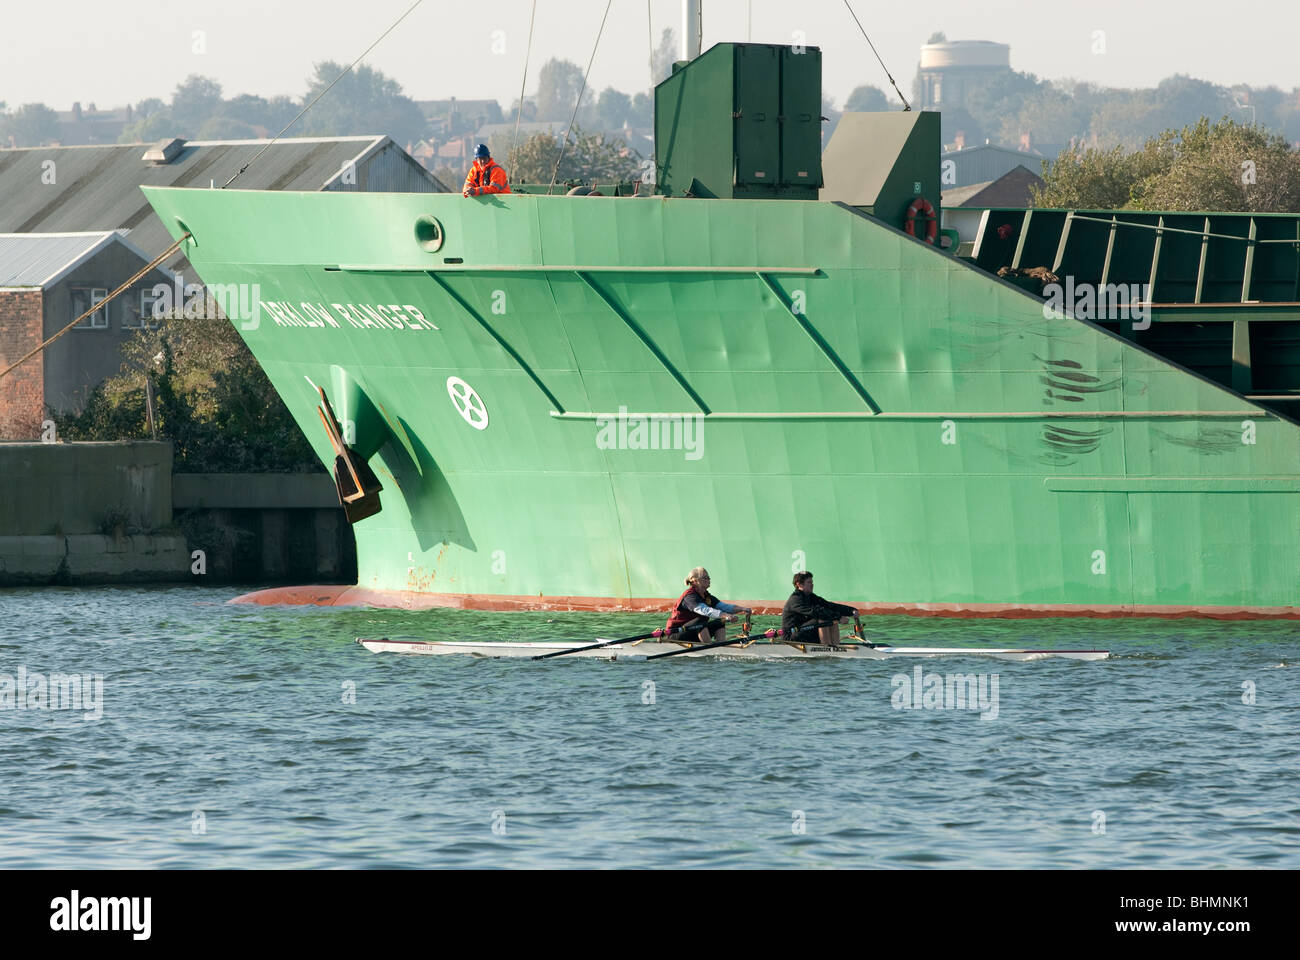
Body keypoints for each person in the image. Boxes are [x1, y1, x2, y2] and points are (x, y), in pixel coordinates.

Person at [665, 567, 752, 643]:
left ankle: (720, 647)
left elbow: (724, 607)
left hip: (693, 631)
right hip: (676, 634)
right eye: (705, 578)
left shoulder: (706, 596)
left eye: (709, 577)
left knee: (720, 622)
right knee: (700, 621)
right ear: (695, 581)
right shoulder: (689, 597)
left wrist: (743, 609)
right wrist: (726, 616)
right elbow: (705, 611)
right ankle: (709, 650)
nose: (709, 580)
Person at [782, 571, 858, 647]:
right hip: (791, 637)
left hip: (805, 632)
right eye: (809, 582)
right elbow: (815, 612)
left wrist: (851, 611)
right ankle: (827, 648)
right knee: (823, 619)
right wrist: (839, 617)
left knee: (832, 619)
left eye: (812, 582)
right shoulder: (795, 600)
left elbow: (829, 605)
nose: (812, 585)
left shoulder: (811, 597)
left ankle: (835, 646)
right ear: (799, 584)